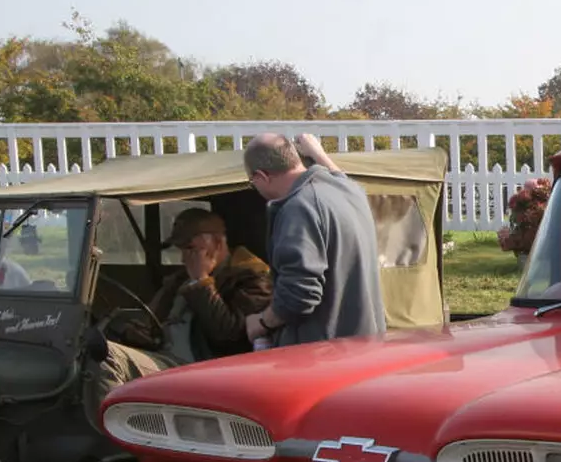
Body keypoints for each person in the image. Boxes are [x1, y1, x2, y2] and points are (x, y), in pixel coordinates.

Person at [82, 208, 273, 429]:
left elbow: (229, 335)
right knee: (94, 347)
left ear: (218, 244)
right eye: (181, 250)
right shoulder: (179, 279)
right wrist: (140, 333)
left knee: (107, 357)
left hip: (204, 368)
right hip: (165, 356)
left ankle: (118, 441)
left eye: (191, 249)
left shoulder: (252, 278)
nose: (183, 257)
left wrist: (201, 281)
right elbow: (155, 322)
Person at [241, 132, 385, 347]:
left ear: (262, 176)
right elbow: (339, 176)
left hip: (324, 356)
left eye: (253, 182)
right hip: (366, 344)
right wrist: (318, 154)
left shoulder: (298, 209)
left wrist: (261, 322)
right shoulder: (351, 191)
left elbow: (299, 294)